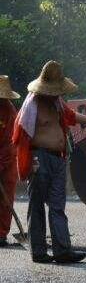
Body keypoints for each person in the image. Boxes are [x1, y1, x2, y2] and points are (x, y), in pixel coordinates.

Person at [12, 61, 86, 264]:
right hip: (39, 158)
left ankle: (62, 250)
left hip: (58, 158)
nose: (56, 93)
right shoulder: (31, 106)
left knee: (57, 205)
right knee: (36, 205)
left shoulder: (58, 103)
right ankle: (38, 252)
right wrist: (26, 164)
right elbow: (19, 135)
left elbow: (72, 117)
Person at [0, 76, 19, 247]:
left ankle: (1, 234)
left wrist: (1, 164)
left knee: (5, 198)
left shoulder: (9, 110)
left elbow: (10, 142)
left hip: (7, 160)